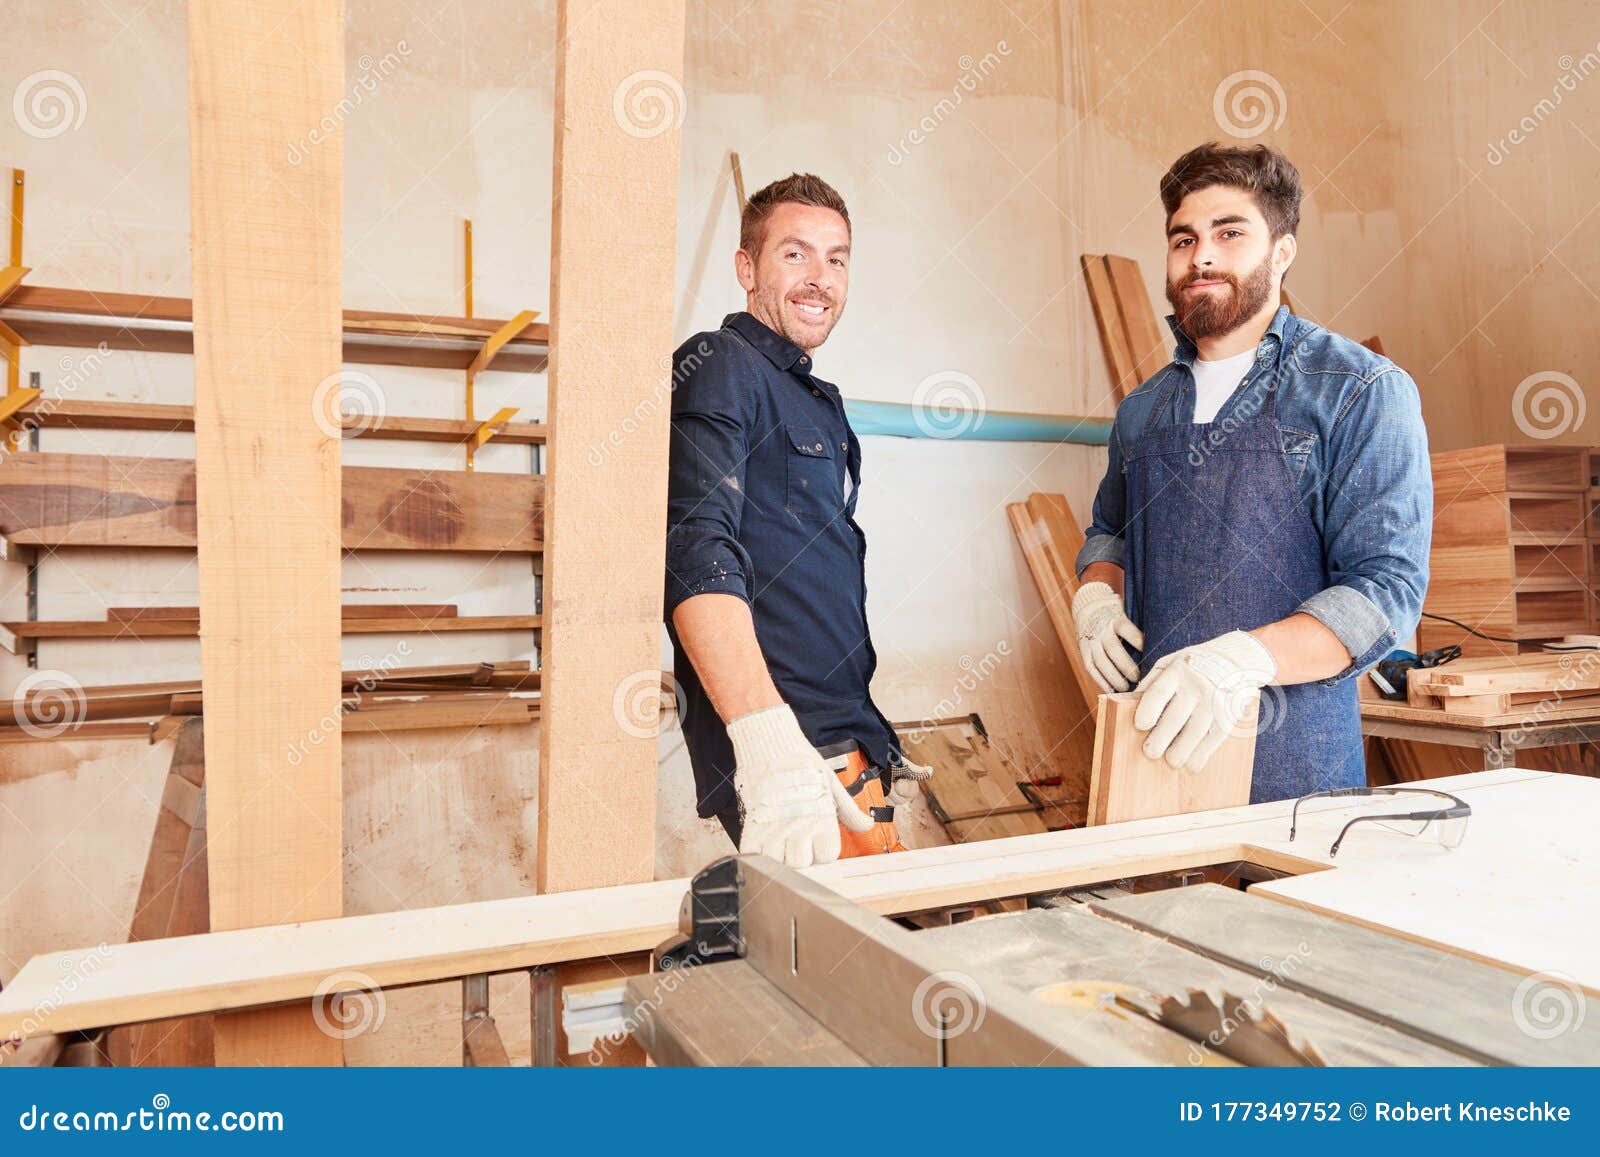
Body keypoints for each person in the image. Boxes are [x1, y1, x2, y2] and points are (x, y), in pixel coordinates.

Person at [1071, 142, 1431, 802]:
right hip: (1156, 774)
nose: (1201, 256)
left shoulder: (1357, 391)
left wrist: (1243, 659)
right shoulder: (1143, 412)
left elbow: (1385, 590)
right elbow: (1110, 532)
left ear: (1282, 251)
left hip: (1297, 781)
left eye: (1229, 233)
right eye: (1184, 239)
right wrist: (1094, 598)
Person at [664, 173, 929, 868]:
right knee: (872, 959)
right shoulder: (720, 366)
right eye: (795, 254)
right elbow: (693, 547)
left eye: (836, 258)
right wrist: (764, 739)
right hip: (793, 749)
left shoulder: (813, 398)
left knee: (866, 950)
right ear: (746, 268)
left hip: (846, 736)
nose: (821, 278)